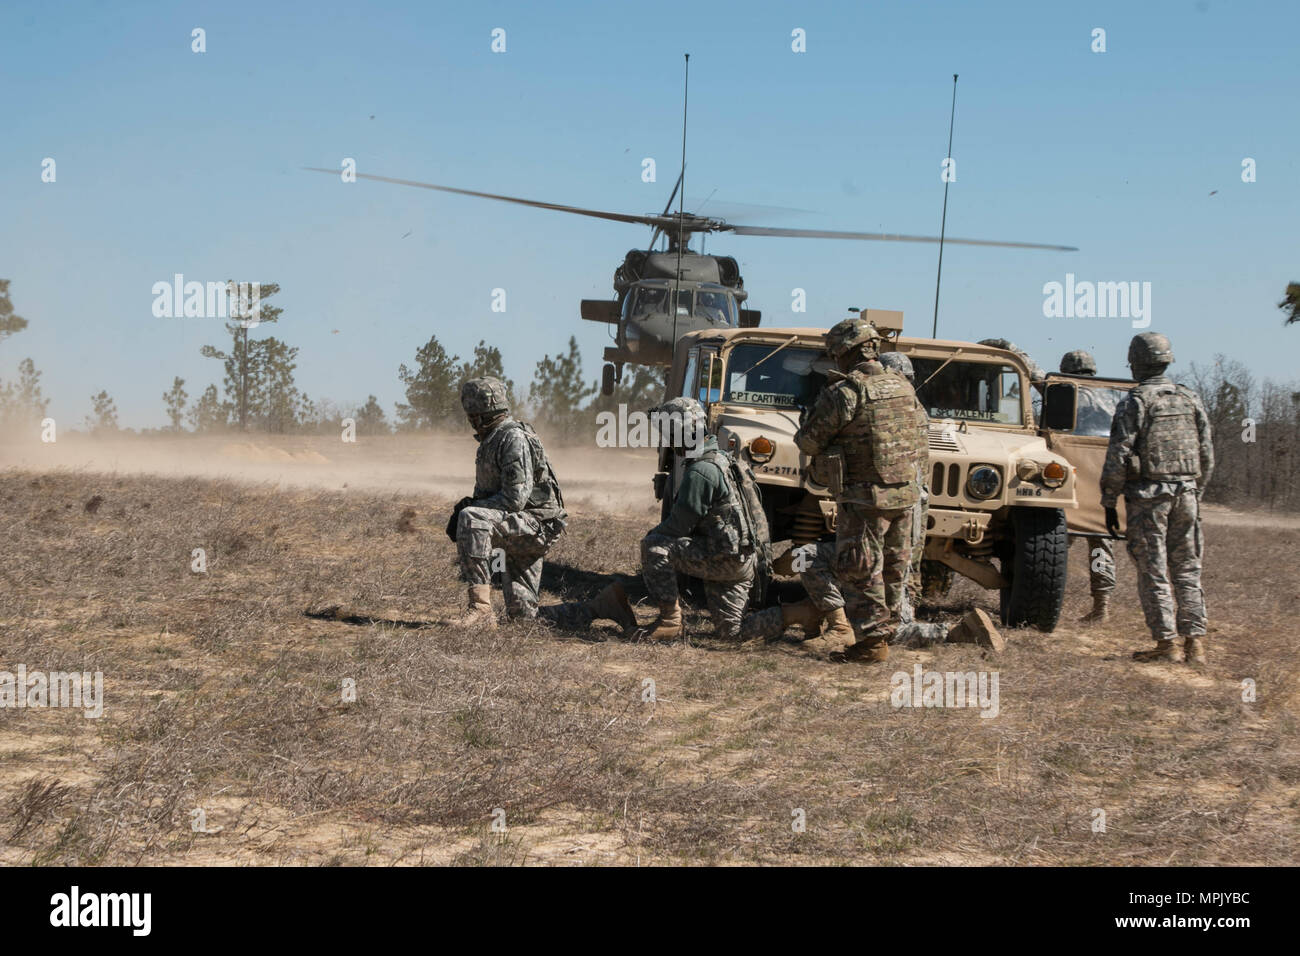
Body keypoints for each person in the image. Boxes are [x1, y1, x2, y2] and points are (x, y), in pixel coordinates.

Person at [790, 319, 927, 662]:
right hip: (905, 496)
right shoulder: (903, 386)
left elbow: (808, 440)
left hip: (865, 498)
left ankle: (871, 643)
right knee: (895, 567)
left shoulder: (846, 392)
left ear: (845, 353)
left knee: (861, 568)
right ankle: (887, 632)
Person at [1101, 334, 1214, 663]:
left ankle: (1166, 645)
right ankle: (1195, 644)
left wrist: (1109, 500)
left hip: (1149, 498)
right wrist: (1195, 492)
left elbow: (1118, 455)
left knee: (1154, 571)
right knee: (1188, 570)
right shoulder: (1189, 398)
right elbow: (1206, 453)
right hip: (1187, 495)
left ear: (1136, 362)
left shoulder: (1135, 402)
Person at [632, 397, 757, 642]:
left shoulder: (701, 471)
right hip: (740, 560)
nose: (668, 441)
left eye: (670, 434)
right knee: (732, 634)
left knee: (654, 546)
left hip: (723, 559)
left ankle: (670, 621)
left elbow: (678, 526)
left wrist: (651, 535)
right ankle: (797, 613)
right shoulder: (724, 459)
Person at [446, 377, 568, 627]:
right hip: (521, 526)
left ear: (480, 413)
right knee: (523, 619)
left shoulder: (512, 438)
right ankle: (604, 606)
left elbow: (514, 499)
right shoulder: (491, 440)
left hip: (535, 527)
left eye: (471, 413)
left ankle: (480, 610)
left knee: (472, 518)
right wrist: (473, 502)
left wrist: (472, 510)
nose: (469, 419)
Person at [1059, 349, 1117, 624]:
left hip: (1069, 480)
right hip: (1101, 482)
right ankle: (1101, 605)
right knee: (1100, 546)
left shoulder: (1065, 393)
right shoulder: (1113, 398)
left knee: (1057, 544)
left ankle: (1049, 600)